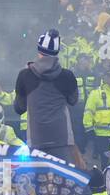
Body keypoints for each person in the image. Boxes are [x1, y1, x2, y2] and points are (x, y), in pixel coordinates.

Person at [14, 30, 82, 167]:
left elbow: (19, 108)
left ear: (39, 51)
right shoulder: (67, 76)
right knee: (62, 179)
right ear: (57, 53)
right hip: (62, 139)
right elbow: (74, 100)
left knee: (39, 179)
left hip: (36, 138)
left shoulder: (25, 75)